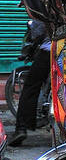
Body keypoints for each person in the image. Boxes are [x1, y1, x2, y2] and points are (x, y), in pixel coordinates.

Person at [9, 16, 51, 146]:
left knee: (31, 86)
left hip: (49, 50)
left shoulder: (42, 4)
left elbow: (37, 30)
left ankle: (21, 128)